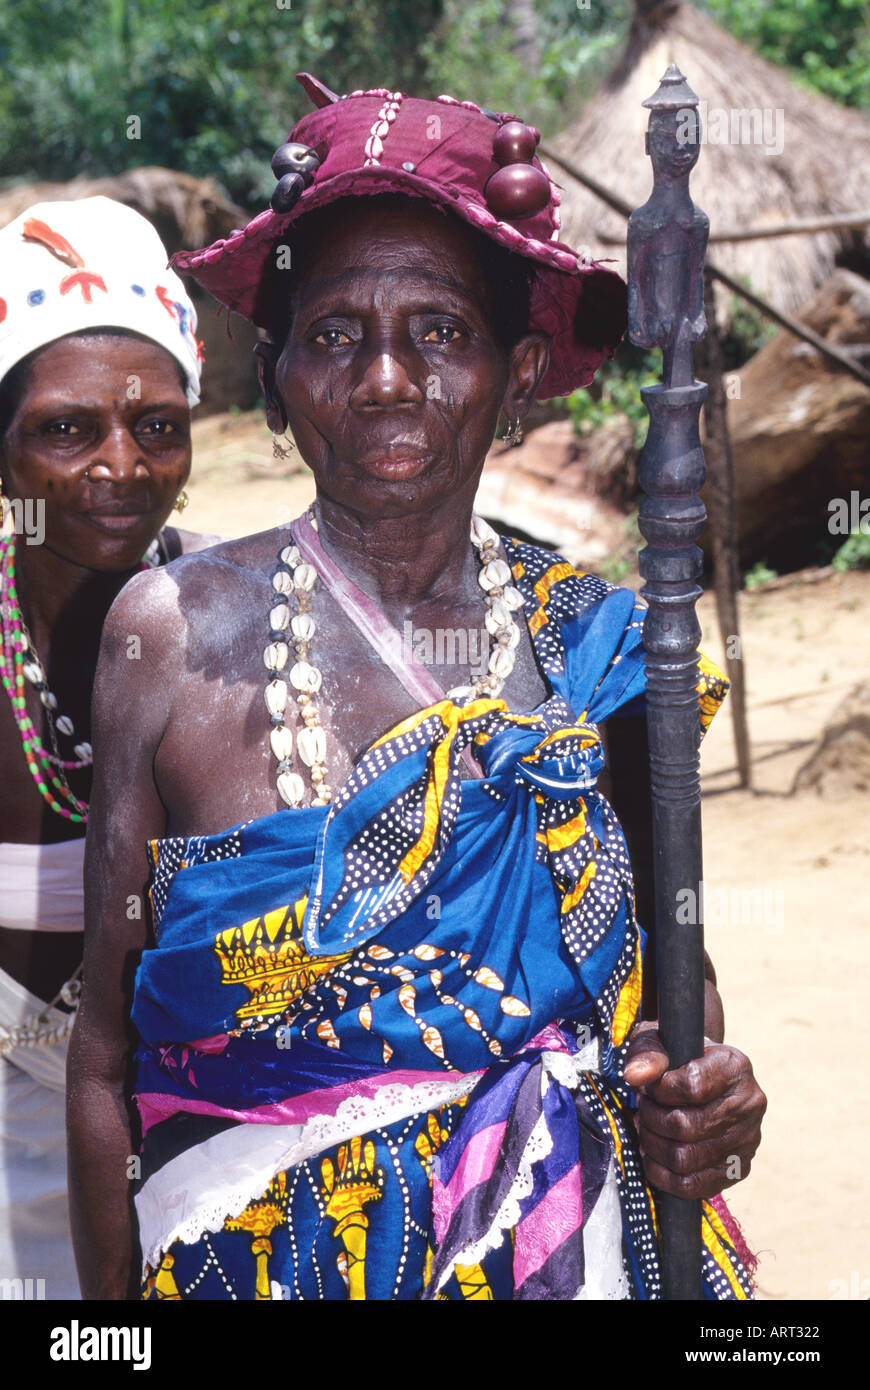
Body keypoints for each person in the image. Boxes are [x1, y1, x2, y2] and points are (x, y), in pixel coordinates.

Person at [69, 77, 765, 1301]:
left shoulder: (604, 648)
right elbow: (103, 1055)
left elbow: (677, 973)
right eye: (335, 334)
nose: (388, 378)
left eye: (442, 331)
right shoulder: (167, 638)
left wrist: (699, 1087)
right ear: (279, 384)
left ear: (520, 369)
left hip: (568, 1257)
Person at [0, 196, 212, 1299]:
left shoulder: (240, 632)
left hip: (187, 1130)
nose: (119, 465)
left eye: (157, 425)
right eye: (66, 428)